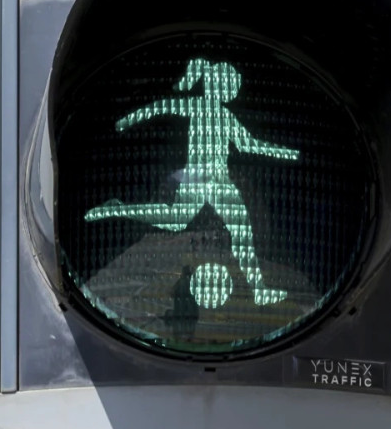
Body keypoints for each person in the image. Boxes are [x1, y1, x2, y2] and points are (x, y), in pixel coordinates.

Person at [85, 58, 299, 306]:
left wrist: (284, 152)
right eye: (232, 85)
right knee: (181, 221)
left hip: (215, 179)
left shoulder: (224, 115)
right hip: (200, 178)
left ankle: (259, 290)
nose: (234, 90)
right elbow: (163, 106)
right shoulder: (198, 106)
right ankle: (119, 208)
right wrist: (131, 118)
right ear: (219, 86)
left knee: (237, 230)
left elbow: (248, 144)